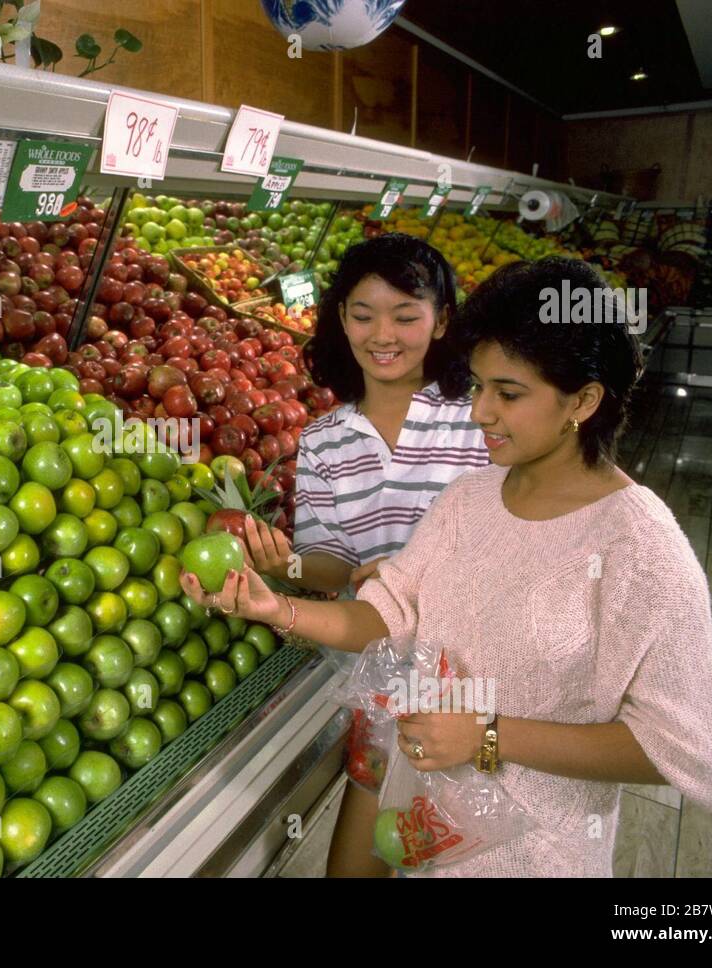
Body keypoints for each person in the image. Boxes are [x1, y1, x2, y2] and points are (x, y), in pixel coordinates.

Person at [189, 257, 712, 877]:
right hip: (427, 836)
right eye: (477, 386)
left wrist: (488, 735)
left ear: (583, 400)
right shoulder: (467, 500)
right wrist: (274, 605)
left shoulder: (642, 546)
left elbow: (681, 747)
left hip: (539, 858)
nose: (479, 412)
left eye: (509, 393)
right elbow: (386, 614)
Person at [239, 234, 488, 876]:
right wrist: (283, 566)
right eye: (362, 314)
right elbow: (332, 560)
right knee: (361, 860)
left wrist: (425, 574)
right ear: (339, 318)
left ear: (442, 321)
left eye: (407, 315)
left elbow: (519, 533)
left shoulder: (478, 417)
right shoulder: (325, 438)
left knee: (478, 846)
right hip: (385, 678)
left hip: (482, 677)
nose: (384, 334)